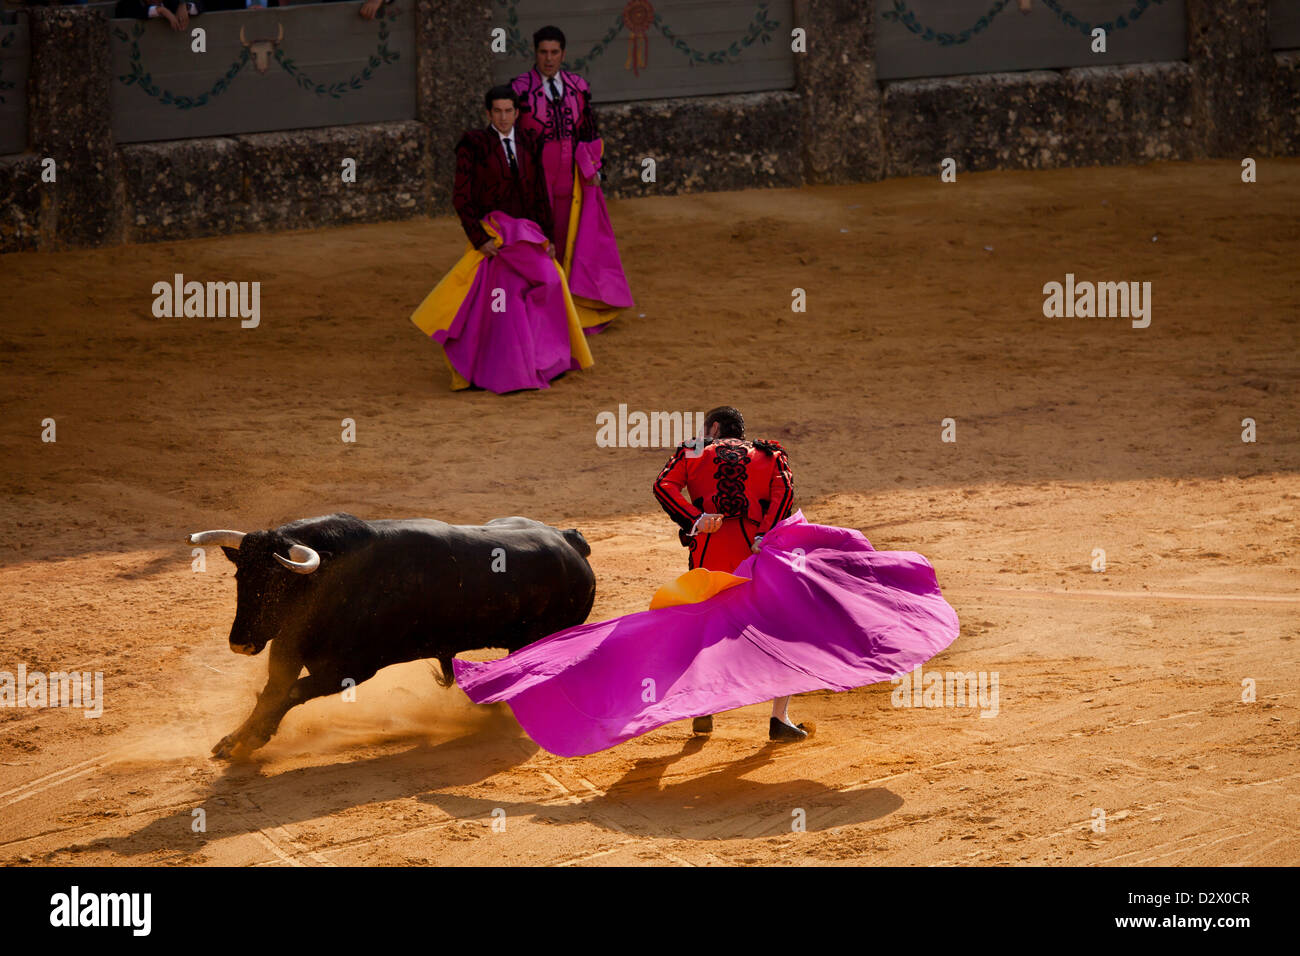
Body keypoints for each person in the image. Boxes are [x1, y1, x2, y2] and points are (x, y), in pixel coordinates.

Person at [409, 85, 593, 393]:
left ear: (517, 113)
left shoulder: (529, 141)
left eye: (509, 111)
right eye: (497, 111)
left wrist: (547, 237)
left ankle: (544, 361)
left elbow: (538, 193)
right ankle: (507, 372)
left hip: (527, 237)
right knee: (504, 303)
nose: (503, 117)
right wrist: (480, 238)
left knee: (549, 281)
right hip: (496, 237)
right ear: (488, 113)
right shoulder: (473, 145)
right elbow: (462, 197)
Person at [653, 405, 810, 742]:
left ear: (712, 428)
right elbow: (784, 494)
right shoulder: (770, 455)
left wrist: (695, 518)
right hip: (753, 557)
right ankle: (779, 717)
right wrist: (762, 535)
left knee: (702, 623)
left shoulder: (693, 450)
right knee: (780, 626)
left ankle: (701, 705)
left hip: (708, 550)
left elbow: (663, 486)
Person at [512, 25, 632, 331]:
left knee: (571, 238)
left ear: (563, 54)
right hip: (536, 173)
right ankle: (536, 307)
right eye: (543, 52)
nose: (548, 59)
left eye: (554, 53)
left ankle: (571, 310)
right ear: (535, 53)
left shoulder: (579, 86)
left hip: (570, 172)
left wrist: (597, 167)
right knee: (538, 237)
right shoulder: (518, 88)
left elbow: (589, 130)